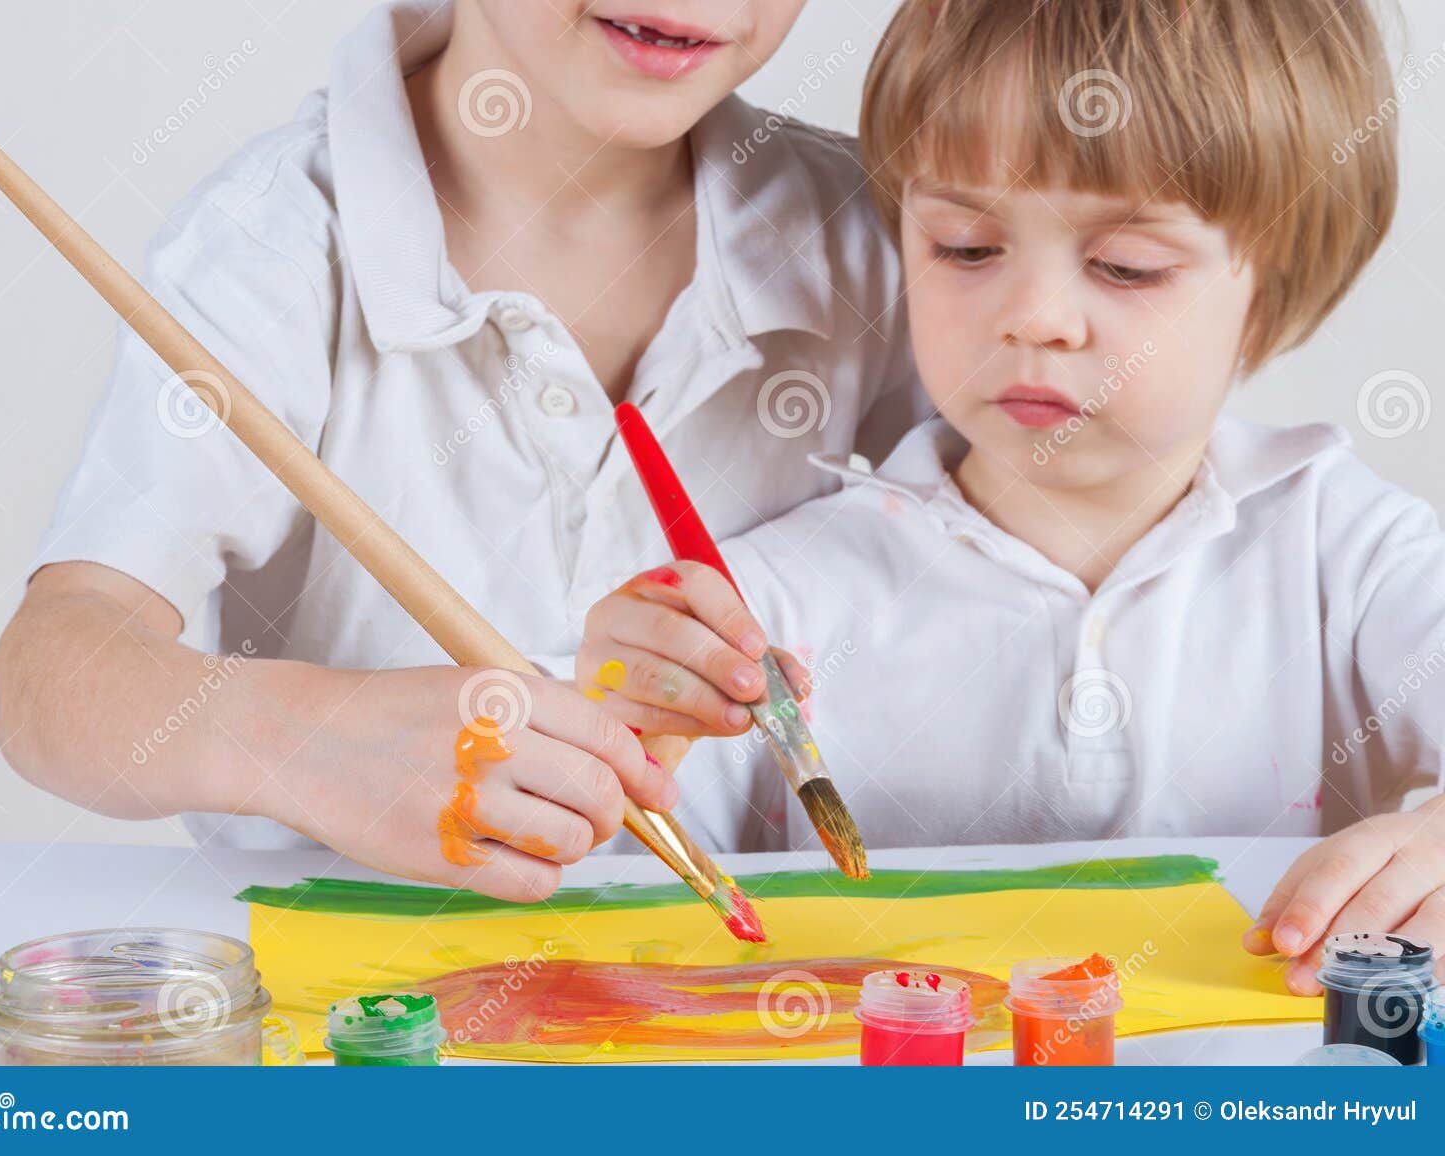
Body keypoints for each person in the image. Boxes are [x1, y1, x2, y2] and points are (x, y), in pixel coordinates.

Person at [576, 0, 1445, 993]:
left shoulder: (1350, 549)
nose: (1033, 317)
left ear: (1276, 288)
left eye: (1127, 266)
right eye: (965, 248)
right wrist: (626, 739)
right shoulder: (776, 600)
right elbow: (616, 921)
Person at [0, 0, 924, 903]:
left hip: (743, 992)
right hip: (361, 1011)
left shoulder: (903, 235)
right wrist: (310, 737)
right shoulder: (273, 244)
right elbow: (50, 674)